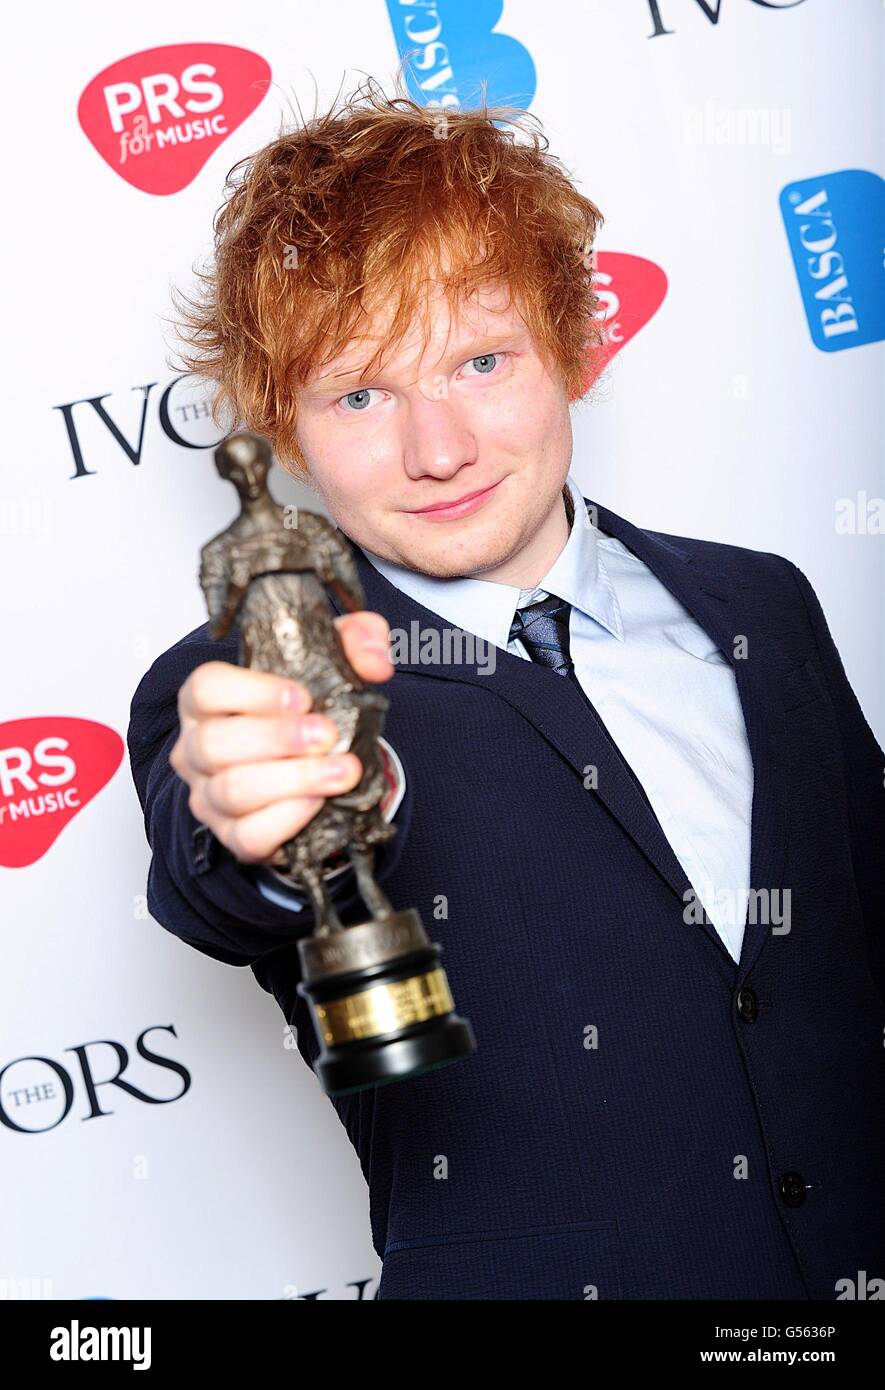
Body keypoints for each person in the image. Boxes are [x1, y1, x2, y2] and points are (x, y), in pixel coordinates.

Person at [128, 82, 885, 1300]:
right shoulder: (246, 675)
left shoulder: (765, 608)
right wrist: (299, 807)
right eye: (360, 394)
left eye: (481, 360)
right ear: (286, 425)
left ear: (573, 348)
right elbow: (224, 856)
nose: (438, 448)